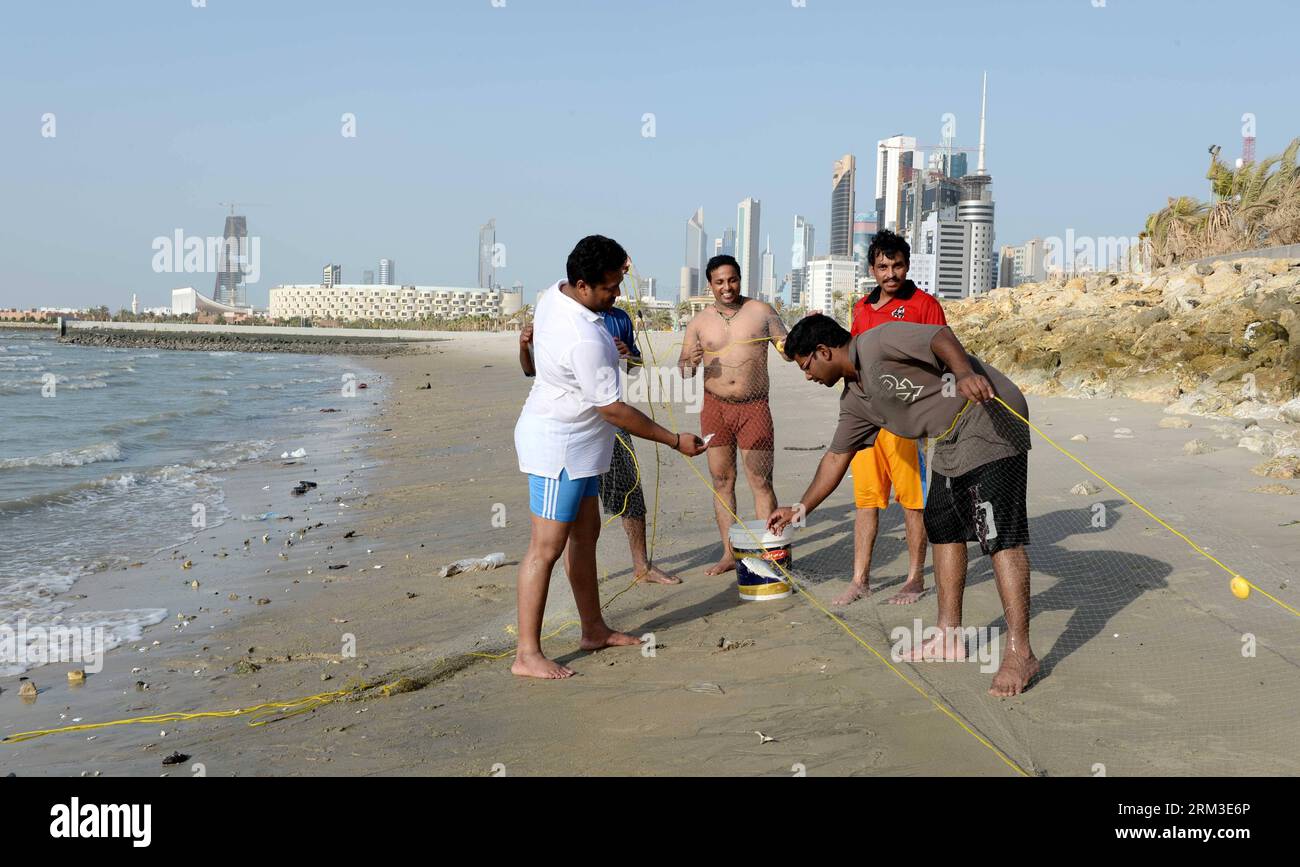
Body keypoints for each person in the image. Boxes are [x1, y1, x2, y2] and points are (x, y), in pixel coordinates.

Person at [767, 315, 1038, 697]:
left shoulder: (878, 341)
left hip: (989, 414)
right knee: (941, 523)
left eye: (806, 366)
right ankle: (948, 635)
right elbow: (836, 457)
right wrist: (800, 509)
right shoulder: (854, 402)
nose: (808, 376)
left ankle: (1020, 653)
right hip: (948, 437)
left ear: (823, 351)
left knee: (997, 534)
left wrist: (963, 373)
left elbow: (939, 336)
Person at [513, 235, 706, 680]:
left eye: (619, 282)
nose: (617, 294)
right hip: (557, 447)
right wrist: (674, 440)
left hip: (583, 445)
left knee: (586, 535)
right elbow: (614, 410)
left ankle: (593, 629)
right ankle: (526, 654)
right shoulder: (584, 337)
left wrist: (618, 264)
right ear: (582, 285)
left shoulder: (554, 292)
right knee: (545, 548)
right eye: (609, 287)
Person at [519, 294, 681, 586]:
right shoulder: (563, 316)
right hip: (573, 429)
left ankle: (641, 565)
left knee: (628, 490)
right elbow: (530, 370)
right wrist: (523, 345)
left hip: (612, 420)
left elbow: (635, 366)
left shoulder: (619, 318)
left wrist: (628, 356)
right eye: (610, 284)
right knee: (562, 525)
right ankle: (568, 577)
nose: (615, 291)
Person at [836, 229, 948, 607]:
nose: (890, 274)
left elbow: (944, 356)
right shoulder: (861, 308)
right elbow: (853, 358)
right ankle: (860, 580)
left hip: (907, 419)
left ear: (907, 265)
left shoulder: (924, 305)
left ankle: (915, 578)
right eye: (883, 267)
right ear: (872, 269)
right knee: (866, 500)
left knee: (912, 501)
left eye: (897, 265)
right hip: (867, 419)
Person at [678, 254, 790, 576]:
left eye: (732, 280)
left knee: (760, 480)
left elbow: (787, 351)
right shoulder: (699, 322)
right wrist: (691, 361)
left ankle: (769, 552)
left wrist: (798, 339)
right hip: (715, 407)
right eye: (720, 282)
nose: (727, 287)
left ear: (740, 279)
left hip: (754, 406)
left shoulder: (762, 312)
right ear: (710, 285)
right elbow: (684, 370)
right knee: (722, 480)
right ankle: (729, 554)